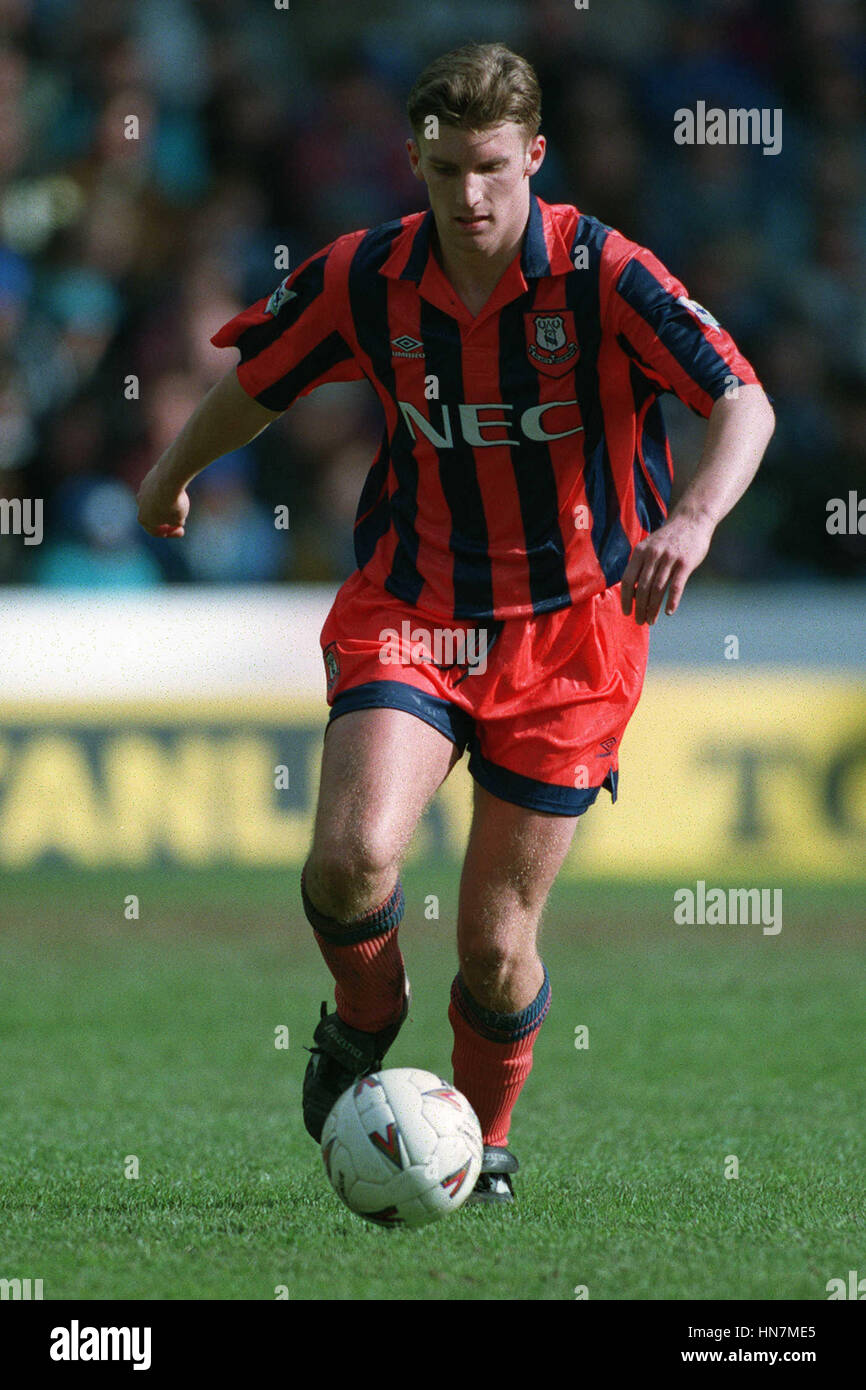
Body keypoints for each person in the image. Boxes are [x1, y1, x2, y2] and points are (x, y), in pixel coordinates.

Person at [137, 41, 775, 1206]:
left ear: (534, 155)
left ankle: (472, 1143)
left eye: (488, 167)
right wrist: (171, 471)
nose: (467, 196)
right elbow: (259, 380)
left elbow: (742, 397)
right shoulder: (365, 275)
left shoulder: (605, 275)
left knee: (492, 944)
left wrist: (690, 518)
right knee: (348, 859)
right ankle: (364, 1013)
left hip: (573, 635)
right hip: (415, 607)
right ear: (415, 163)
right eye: (442, 171)